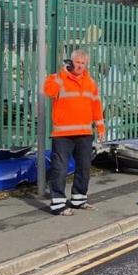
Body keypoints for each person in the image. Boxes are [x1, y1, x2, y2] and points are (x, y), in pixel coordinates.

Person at [44, 49, 106, 216]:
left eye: (83, 63)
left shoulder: (90, 82)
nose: (80, 66)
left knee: (84, 167)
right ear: (71, 63)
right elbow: (48, 91)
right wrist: (62, 74)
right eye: (77, 62)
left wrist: (100, 127)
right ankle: (58, 204)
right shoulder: (58, 78)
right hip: (62, 135)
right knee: (60, 168)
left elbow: (96, 107)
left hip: (85, 133)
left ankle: (79, 200)